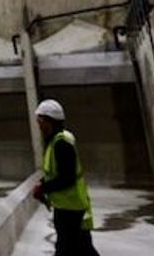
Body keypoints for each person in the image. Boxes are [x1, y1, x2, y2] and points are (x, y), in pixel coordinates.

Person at [32, 99, 99, 256]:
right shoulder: (58, 140)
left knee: (67, 248)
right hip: (68, 206)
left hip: (70, 207)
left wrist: (43, 188)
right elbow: (55, 172)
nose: (39, 125)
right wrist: (43, 184)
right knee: (82, 247)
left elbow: (67, 178)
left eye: (40, 120)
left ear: (48, 121)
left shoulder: (61, 144)